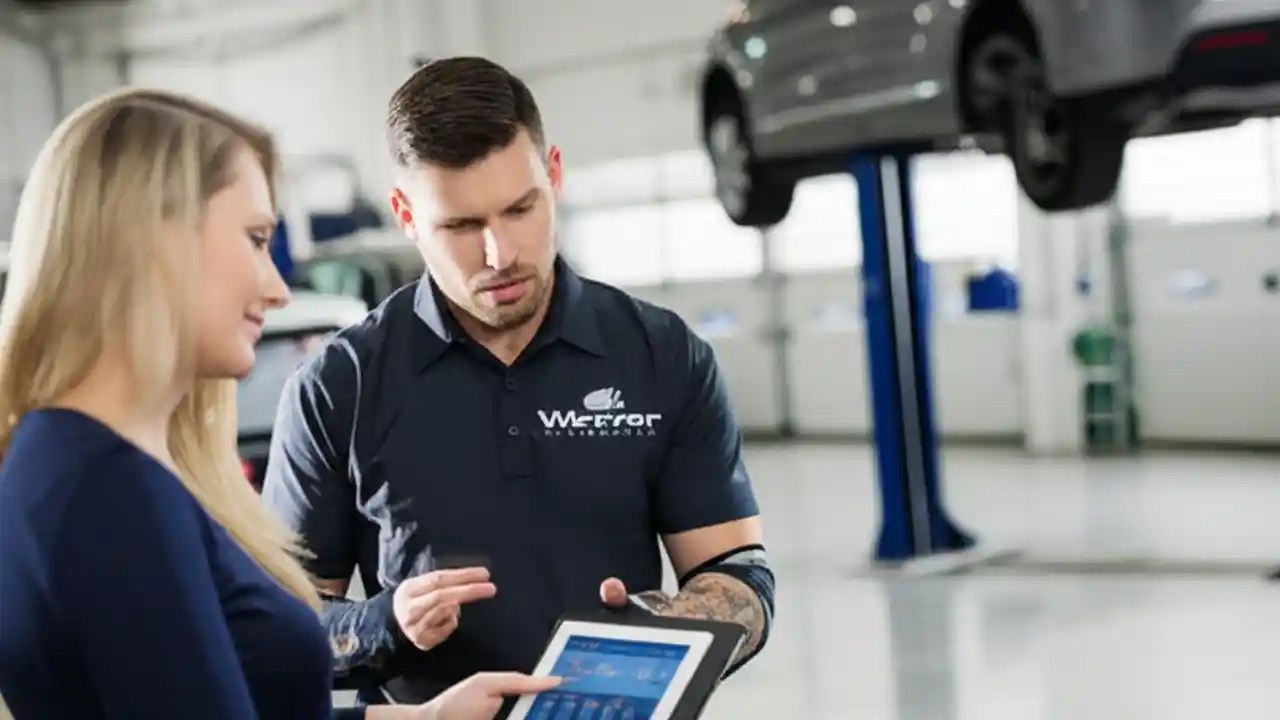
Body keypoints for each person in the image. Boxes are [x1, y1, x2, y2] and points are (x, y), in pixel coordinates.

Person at [0, 87, 560, 719]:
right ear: (153, 242)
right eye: (256, 239)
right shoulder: (105, 486)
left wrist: (422, 719)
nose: (277, 290)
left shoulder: (82, 462)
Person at [261, 56, 777, 706]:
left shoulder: (663, 355)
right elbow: (282, 628)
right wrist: (385, 624)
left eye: (519, 208)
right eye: (460, 226)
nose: (500, 254)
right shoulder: (338, 387)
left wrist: (675, 626)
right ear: (405, 214)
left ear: (553, 175)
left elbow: (739, 573)